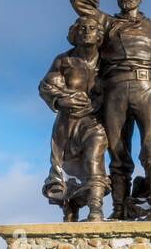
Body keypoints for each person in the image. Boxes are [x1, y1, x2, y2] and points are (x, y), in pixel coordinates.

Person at [70, 0, 151, 220]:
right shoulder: (108, 24)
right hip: (115, 89)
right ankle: (119, 208)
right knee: (117, 152)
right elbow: (79, 1)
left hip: (147, 88)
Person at [38, 17, 110, 222]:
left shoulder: (108, 62)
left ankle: (96, 209)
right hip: (67, 123)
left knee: (93, 157)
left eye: (92, 28)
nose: (87, 31)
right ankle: (71, 207)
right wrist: (62, 100)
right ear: (74, 34)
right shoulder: (64, 61)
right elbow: (46, 86)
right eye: (82, 28)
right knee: (67, 166)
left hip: (95, 121)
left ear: (99, 35)